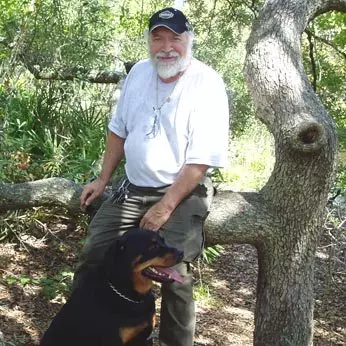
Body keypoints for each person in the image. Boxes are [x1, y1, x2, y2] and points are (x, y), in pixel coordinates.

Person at [75, 7, 229, 346]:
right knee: (94, 253)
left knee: (178, 273)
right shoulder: (139, 74)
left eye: (175, 37)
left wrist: (165, 207)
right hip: (131, 186)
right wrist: (102, 179)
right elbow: (118, 131)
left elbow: (200, 160)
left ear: (190, 40)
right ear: (149, 42)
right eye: (158, 38)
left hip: (183, 190)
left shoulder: (208, 83)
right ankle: (86, 329)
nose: (166, 46)